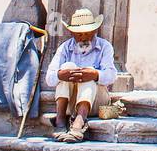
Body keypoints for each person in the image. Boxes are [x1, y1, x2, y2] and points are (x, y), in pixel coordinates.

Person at [40, 8, 119, 143]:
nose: (83, 37)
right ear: (71, 33)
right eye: (79, 34)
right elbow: (50, 78)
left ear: (95, 31)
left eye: (87, 33)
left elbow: (112, 75)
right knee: (66, 67)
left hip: (95, 103)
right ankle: (60, 120)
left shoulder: (105, 46)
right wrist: (61, 75)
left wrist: (95, 74)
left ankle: (79, 123)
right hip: (71, 103)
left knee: (88, 72)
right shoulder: (65, 47)